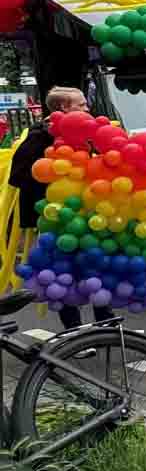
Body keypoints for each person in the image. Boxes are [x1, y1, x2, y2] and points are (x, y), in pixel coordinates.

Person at [8, 87, 117, 330]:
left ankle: (107, 325)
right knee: (64, 272)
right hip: (56, 220)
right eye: (81, 105)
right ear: (63, 109)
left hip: (89, 216)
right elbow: (17, 177)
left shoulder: (88, 135)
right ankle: (74, 331)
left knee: (96, 266)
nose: (87, 108)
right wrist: (54, 181)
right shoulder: (38, 137)